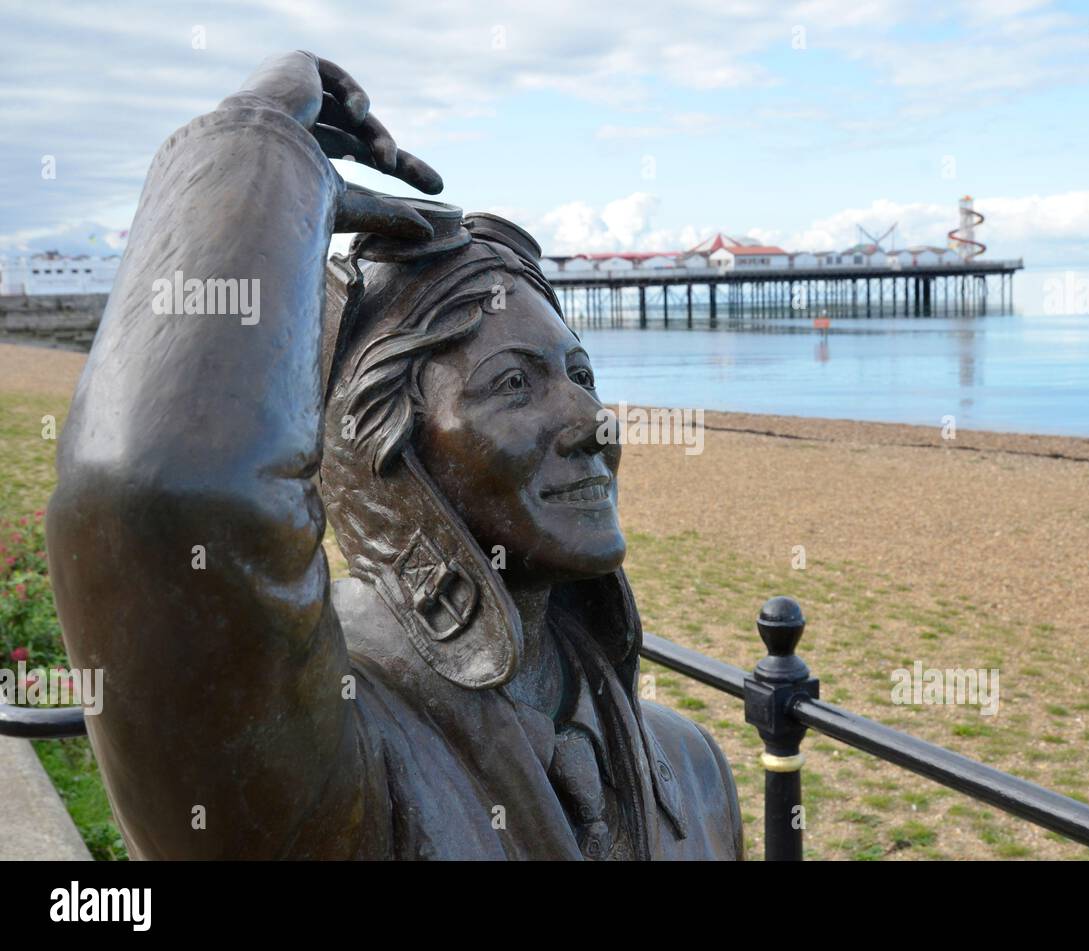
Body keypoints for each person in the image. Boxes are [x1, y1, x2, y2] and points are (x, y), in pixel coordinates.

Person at [46, 51, 742, 860]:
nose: (593, 420)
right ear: (380, 451)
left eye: (581, 375)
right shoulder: (339, 760)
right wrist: (259, 152)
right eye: (514, 383)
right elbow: (159, 495)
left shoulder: (692, 769)